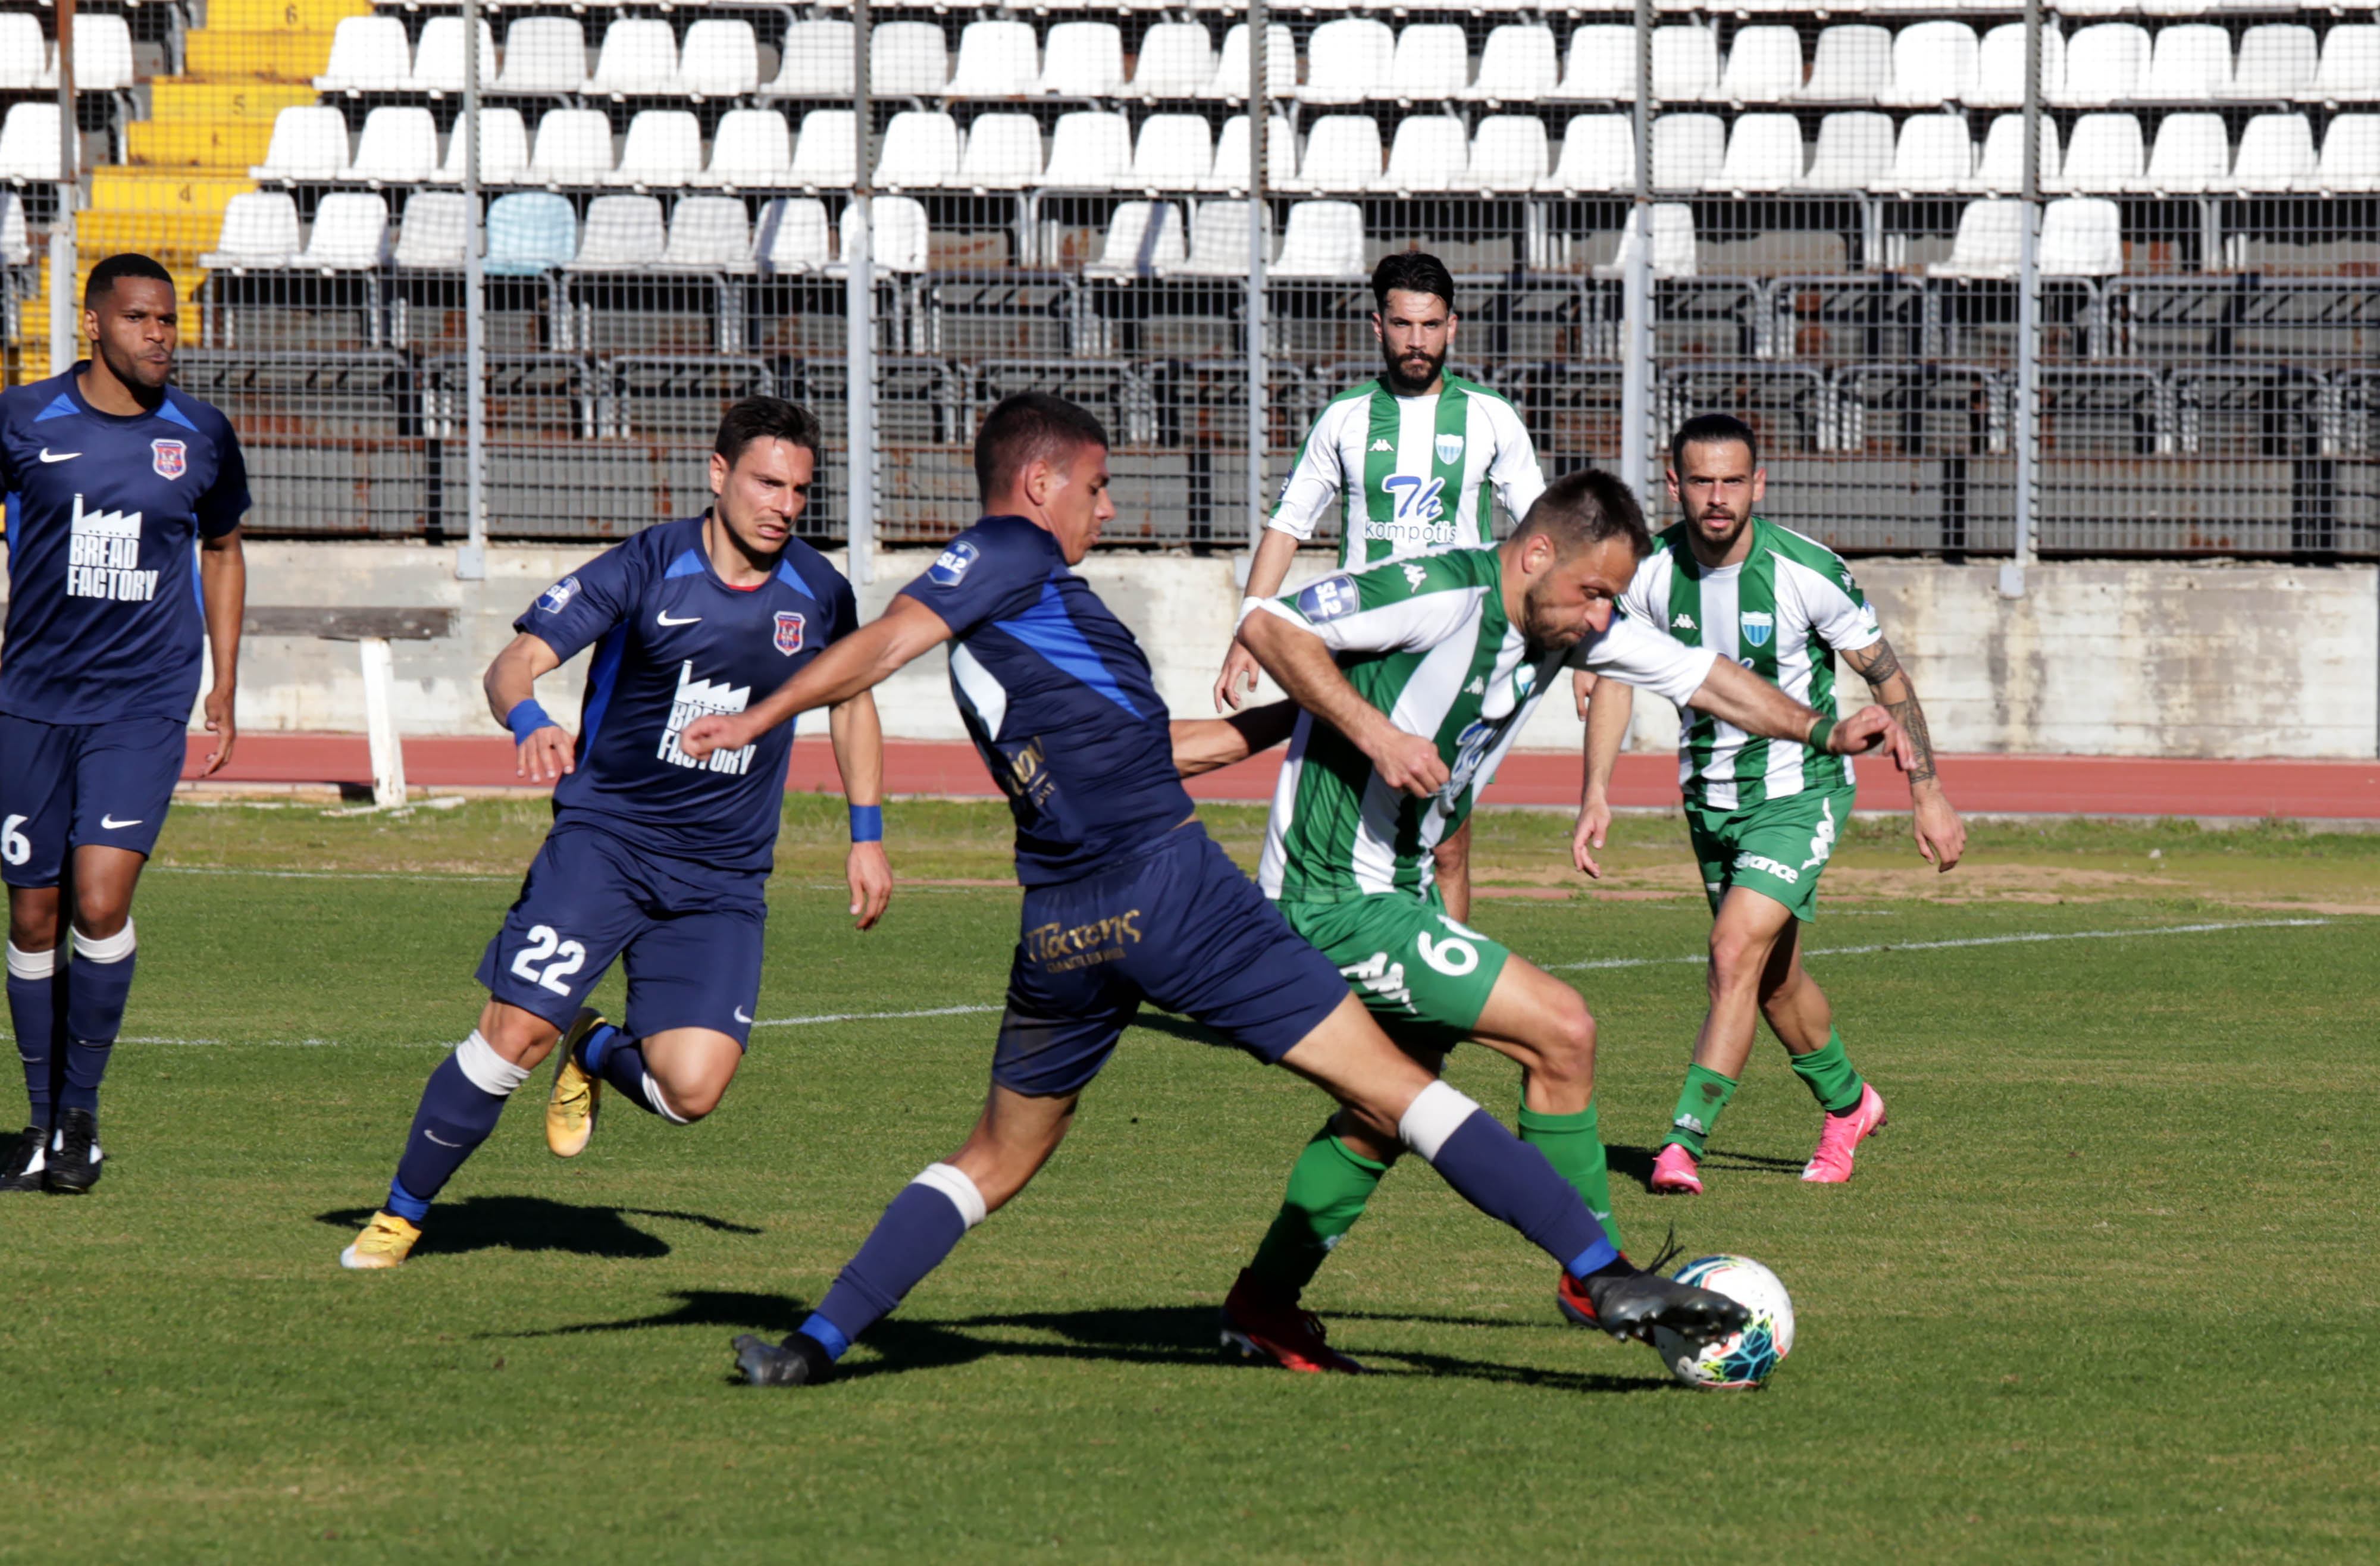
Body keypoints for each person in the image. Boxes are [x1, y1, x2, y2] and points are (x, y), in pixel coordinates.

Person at [679, 393, 1749, 1388]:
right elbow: (880, 644)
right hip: (1174, 893)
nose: (1108, 506)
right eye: (1097, 487)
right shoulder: (1006, 547)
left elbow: (1168, 748)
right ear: (1042, 483)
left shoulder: (1034, 615)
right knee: (1397, 1088)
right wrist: (756, 717)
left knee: (993, 1157)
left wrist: (1321, 707)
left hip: (1061, 926)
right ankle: (1598, 1267)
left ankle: (817, 1342)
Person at [1214, 468, 1912, 1373]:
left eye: (1613, 599)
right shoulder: (1442, 592)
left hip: (1394, 893)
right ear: (1536, 553)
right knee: (1561, 1028)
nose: (1599, 618)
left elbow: (1703, 678)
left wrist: (1819, 730)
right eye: (1592, 592)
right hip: (1330, 900)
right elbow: (1270, 622)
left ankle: (1264, 1305)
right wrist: (1374, 730)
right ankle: (1597, 1271)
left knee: (1384, 1109)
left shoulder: (1573, 624)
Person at [339, 397, 891, 1268]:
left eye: (798, 490)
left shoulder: (821, 593)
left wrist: (867, 834)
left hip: (722, 877)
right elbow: (512, 661)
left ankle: (592, 1043)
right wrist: (529, 721)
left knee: (692, 1092)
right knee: (513, 1032)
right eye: (765, 482)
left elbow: (853, 699)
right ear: (718, 475)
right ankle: (404, 1214)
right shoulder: (648, 565)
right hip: (609, 845)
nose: (784, 504)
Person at [1576, 413, 1966, 1195]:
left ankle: (1682, 1144)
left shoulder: (1805, 572)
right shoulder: (1648, 571)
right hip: (1709, 800)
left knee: (1730, 953)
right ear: (1674, 481)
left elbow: (1888, 680)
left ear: (1759, 483)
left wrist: (1929, 793)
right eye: (1701, 481)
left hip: (1799, 793)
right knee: (1772, 980)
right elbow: (1616, 677)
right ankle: (1851, 1105)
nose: (1717, 498)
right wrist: (1596, 793)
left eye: (1732, 481)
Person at [0, 253, 249, 1194]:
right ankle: (34, 1122)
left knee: (99, 900)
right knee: (32, 913)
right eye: (142, 319)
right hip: (31, 702)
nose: (161, 337)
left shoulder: (201, 433)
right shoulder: (25, 420)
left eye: (170, 321)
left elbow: (223, 551)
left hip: (141, 703)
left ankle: (80, 1119)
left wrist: (224, 685)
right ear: (95, 324)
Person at [1214, 252, 1559, 922]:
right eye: (1402, 324)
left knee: (1446, 840)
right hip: (1360, 650)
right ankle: (1321, 983)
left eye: (1430, 325)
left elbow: (1544, 538)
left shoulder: (1490, 418)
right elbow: (1287, 527)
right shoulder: (1344, 418)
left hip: (1453, 652)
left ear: (1452, 327)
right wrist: (1247, 631)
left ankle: (1446, 982)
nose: (1416, 340)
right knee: (1329, 819)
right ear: (1377, 326)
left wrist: (1571, 647)